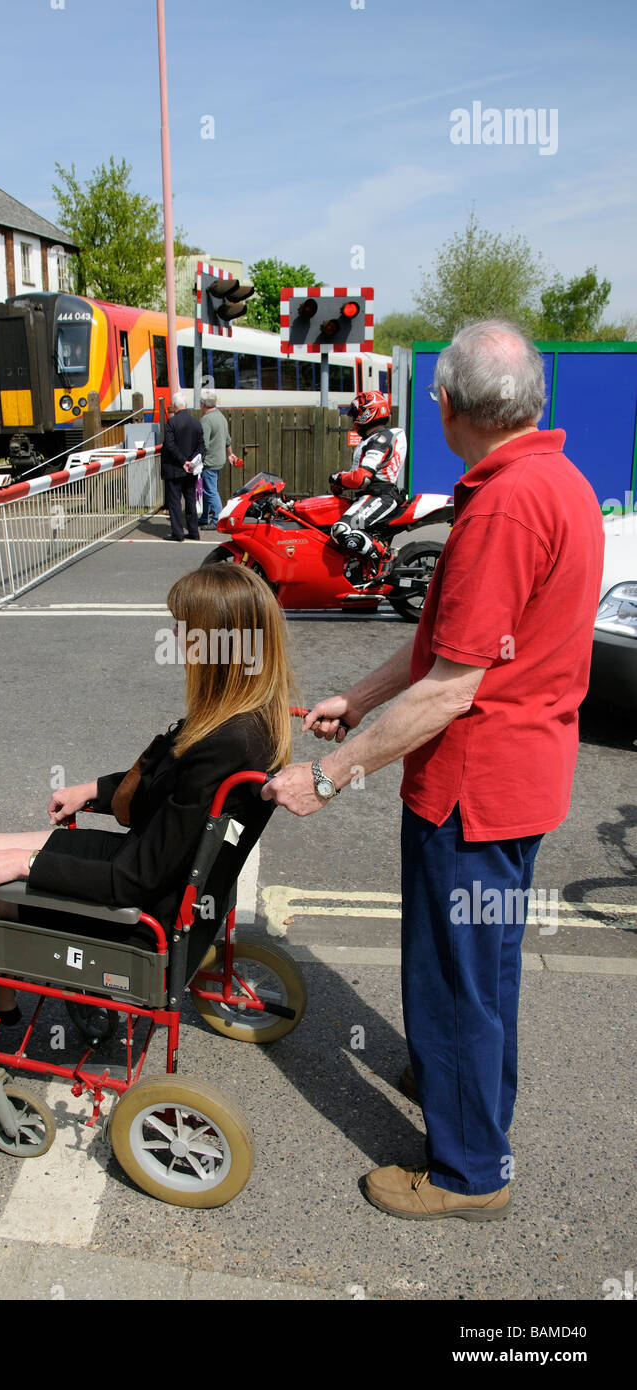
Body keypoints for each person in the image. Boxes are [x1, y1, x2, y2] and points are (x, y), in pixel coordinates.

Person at [262, 319, 604, 1221]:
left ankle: (466, 1172)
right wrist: (362, 695)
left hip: (474, 788)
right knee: (481, 968)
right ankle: (466, 1097)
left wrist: (327, 775)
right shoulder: (557, 480)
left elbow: (451, 690)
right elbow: (448, 642)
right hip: (523, 779)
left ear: (449, 406)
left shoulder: (499, 507)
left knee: (455, 980)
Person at [0, 564, 295, 1069]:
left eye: (185, 627)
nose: (176, 636)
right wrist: (94, 792)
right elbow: (164, 796)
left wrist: (27, 864)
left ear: (220, 643)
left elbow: (135, 879)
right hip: (162, 871)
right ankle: (2, 1005)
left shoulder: (223, 743)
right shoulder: (245, 720)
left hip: (142, 908)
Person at [328, 391, 407, 584]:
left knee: (342, 530)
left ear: (367, 413)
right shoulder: (376, 438)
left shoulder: (379, 439)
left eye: (356, 413)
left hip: (380, 496)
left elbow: (362, 478)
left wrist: (338, 478)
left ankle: (385, 557)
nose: (354, 419)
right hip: (372, 496)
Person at [161, 391, 205, 541]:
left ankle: (178, 533)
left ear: (174, 406)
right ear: (185, 405)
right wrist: (193, 462)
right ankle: (194, 531)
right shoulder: (196, 423)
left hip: (174, 468)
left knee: (174, 501)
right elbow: (201, 447)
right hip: (191, 470)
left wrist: (182, 461)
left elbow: (170, 445)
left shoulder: (171, 423)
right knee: (190, 500)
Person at [199, 389, 236, 530]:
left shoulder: (206, 420)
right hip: (219, 459)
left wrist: (196, 460)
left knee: (210, 491)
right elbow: (227, 440)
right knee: (207, 489)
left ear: (203, 404)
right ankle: (204, 517)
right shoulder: (221, 417)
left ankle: (217, 519)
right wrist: (230, 454)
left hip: (209, 461)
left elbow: (204, 444)